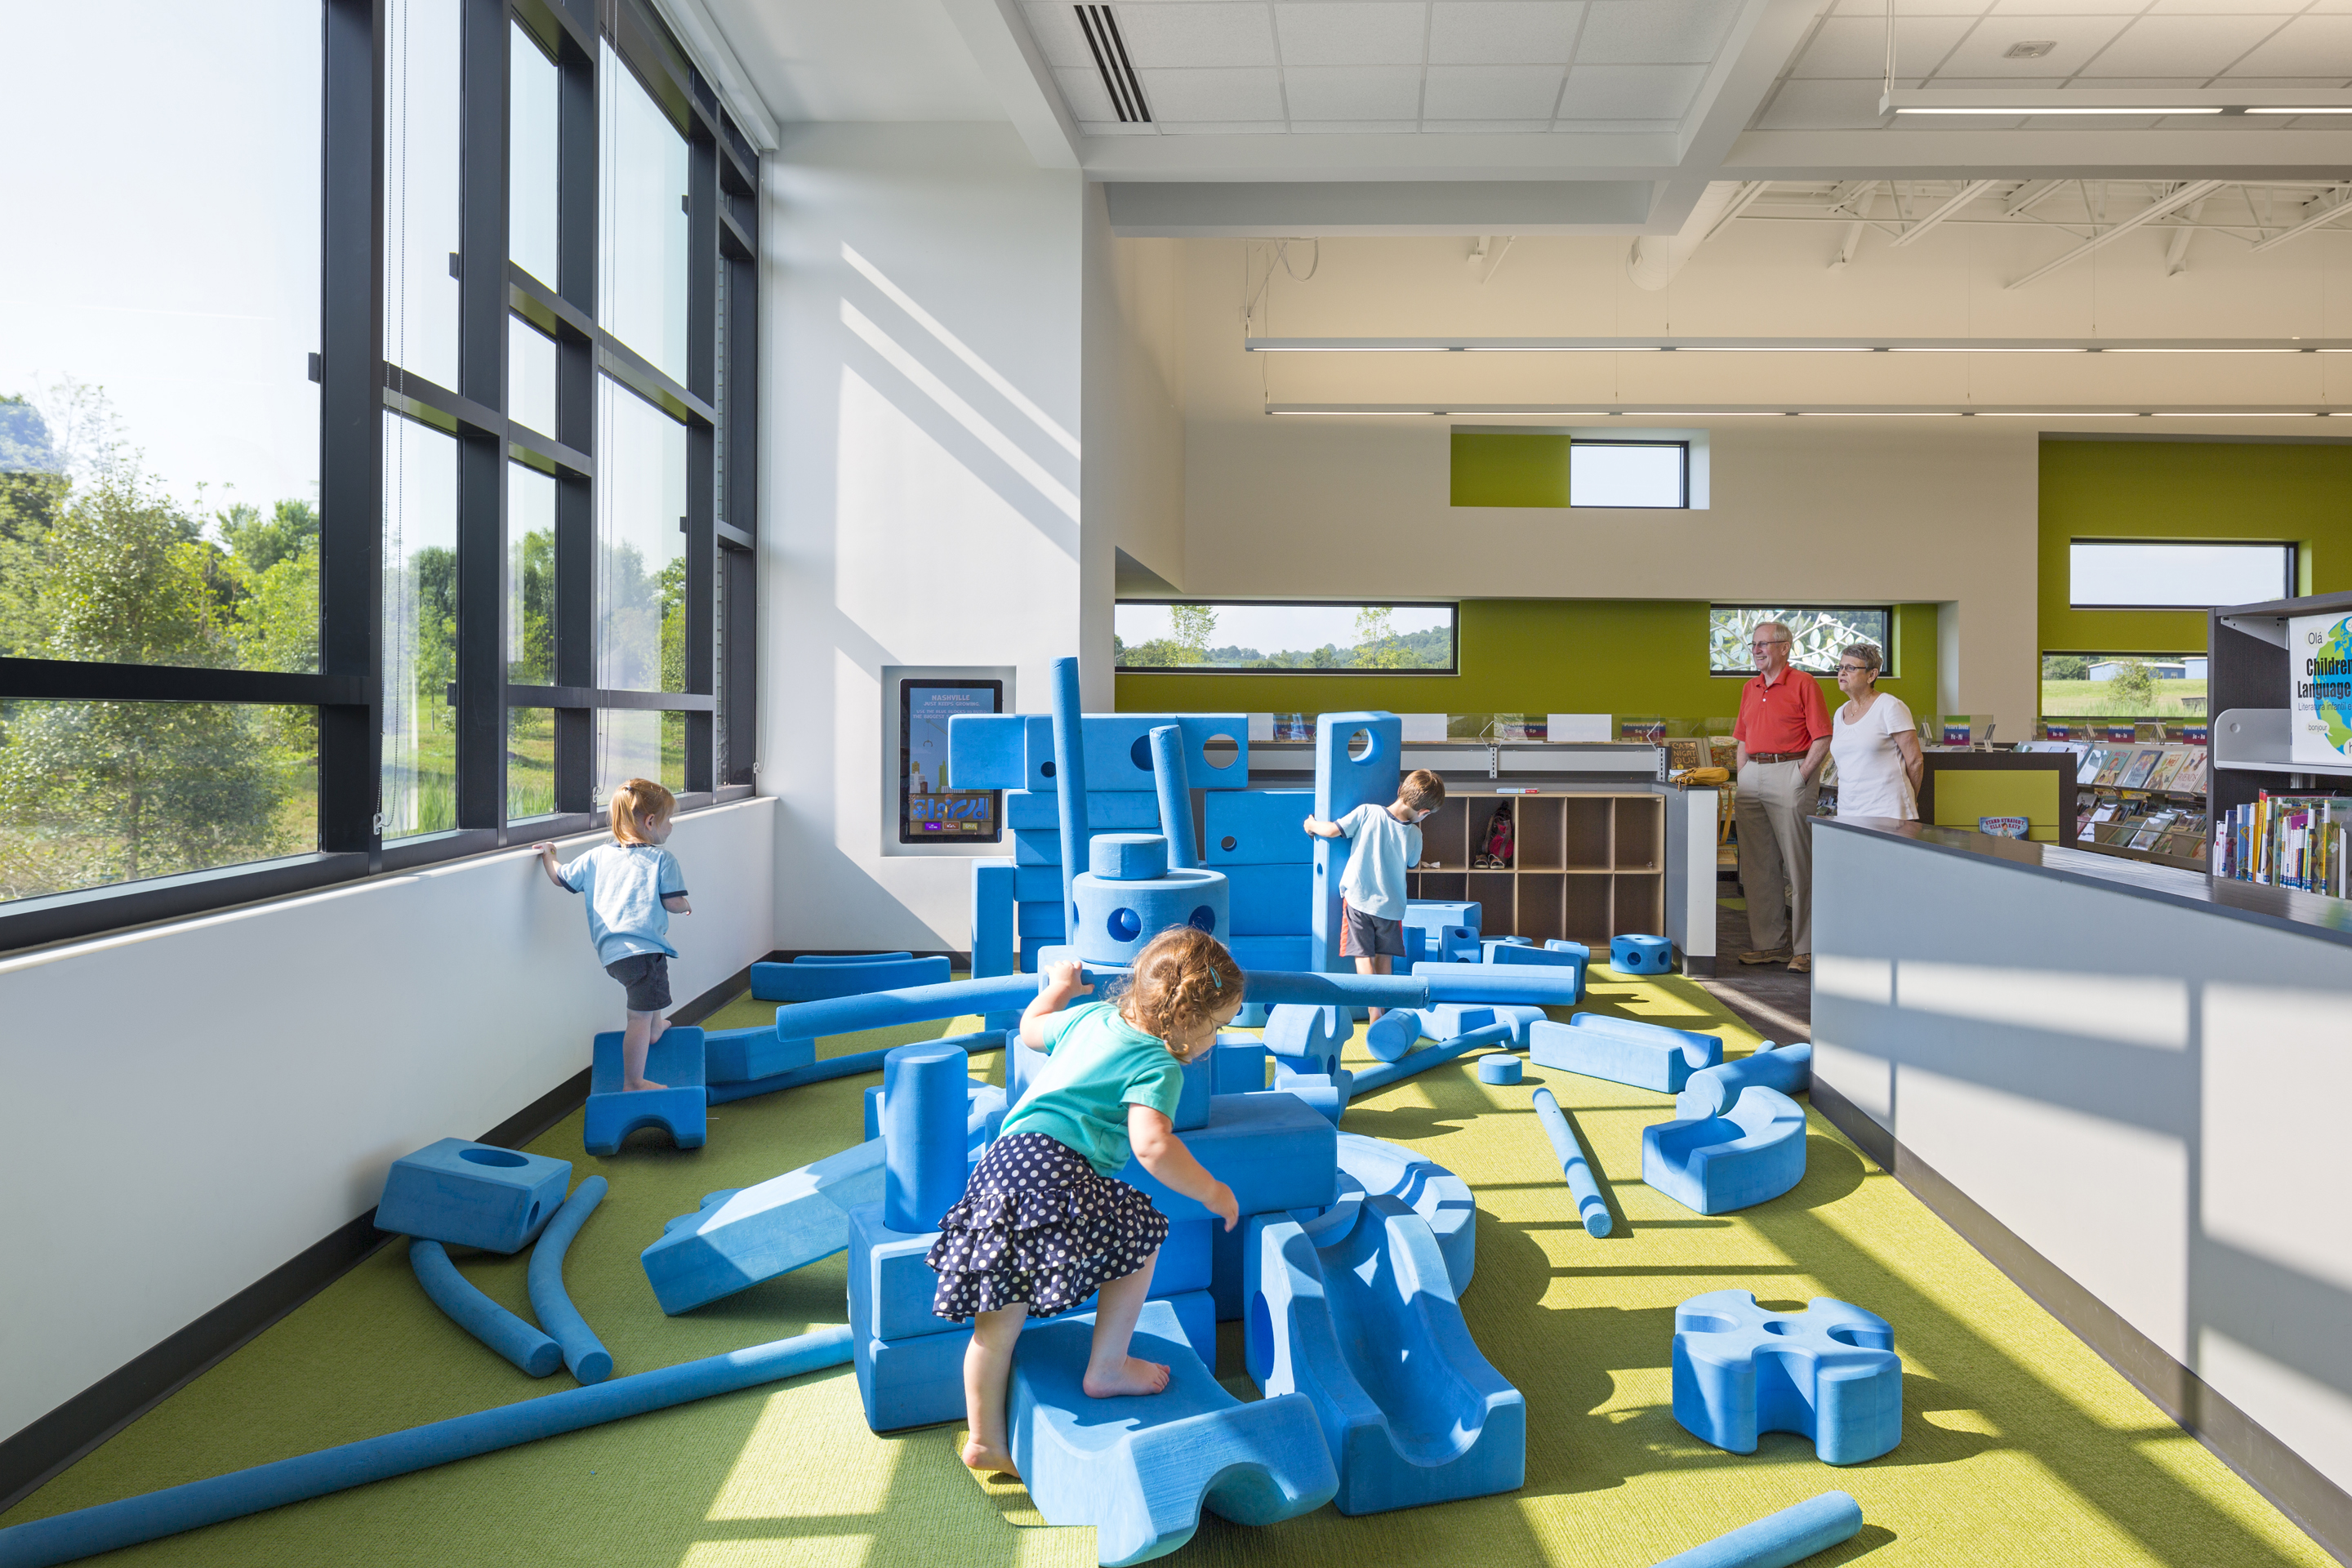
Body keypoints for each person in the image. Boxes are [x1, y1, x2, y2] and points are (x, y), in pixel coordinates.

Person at [931, 929, 1243, 1478]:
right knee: (1142, 1235)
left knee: (994, 1328)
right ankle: (1108, 1366)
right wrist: (1215, 1191)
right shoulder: (1159, 1065)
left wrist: (1057, 989)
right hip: (1058, 1171)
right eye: (1217, 1026)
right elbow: (1151, 1145)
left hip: (1001, 1167)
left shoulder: (1090, 1018)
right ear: (1185, 1021)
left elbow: (1029, 1030)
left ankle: (983, 1439)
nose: (1216, 1040)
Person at [533, 778, 692, 1091]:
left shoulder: (597, 857)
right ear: (650, 822)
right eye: (668, 820)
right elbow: (672, 902)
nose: (671, 826)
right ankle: (633, 1080)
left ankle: (657, 1025)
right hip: (643, 951)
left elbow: (559, 877)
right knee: (637, 1018)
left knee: (650, 993)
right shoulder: (662, 860)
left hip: (612, 954)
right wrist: (685, 905)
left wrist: (549, 854)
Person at [1303, 768, 1446, 1020]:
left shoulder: (1367, 811)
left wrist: (1311, 824)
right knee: (1383, 961)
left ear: (1400, 790)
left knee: (1362, 956)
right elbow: (1413, 862)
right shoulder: (1415, 833)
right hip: (1391, 907)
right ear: (1424, 813)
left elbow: (1332, 831)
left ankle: (1374, 1012)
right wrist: (1417, 830)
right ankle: (1383, 1010)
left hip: (1359, 899)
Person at [1732, 621, 1831, 975]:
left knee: (1798, 865)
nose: (1757, 650)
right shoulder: (1749, 687)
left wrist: (1801, 776)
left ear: (1785, 647)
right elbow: (1742, 737)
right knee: (1756, 867)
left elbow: (1822, 737)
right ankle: (1769, 945)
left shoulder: (1804, 683)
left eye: (1763, 644)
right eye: (1753, 645)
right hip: (1751, 776)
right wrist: (1742, 773)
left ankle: (1805, 949)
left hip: (1790, 772)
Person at [1829, 642, 1922, 823]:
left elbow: (1915, 761)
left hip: (1888, 811)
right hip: (1849, 810)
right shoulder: (1840, 713)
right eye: (1840, 667)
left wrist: (1910, 799)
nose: (1842, 672)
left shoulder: (1890, 706)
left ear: (1872, 675)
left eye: (1850, 668)